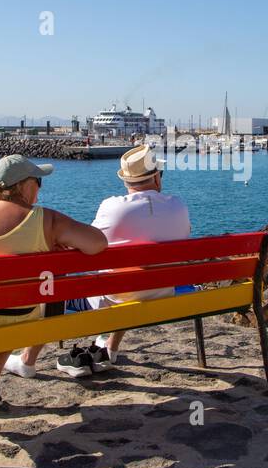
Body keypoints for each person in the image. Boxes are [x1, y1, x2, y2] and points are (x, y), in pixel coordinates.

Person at [0, 154, 106, 408]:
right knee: (12, 302)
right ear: (25, 186)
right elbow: (98, 243)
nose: (40, 187)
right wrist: (52, 241)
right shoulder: (46, 219)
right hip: (20, 316)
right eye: (38, 181)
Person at [78, 144, 191, 367]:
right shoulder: (178, 205)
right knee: (133, 276)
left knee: (121, 281)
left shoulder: (111, 207)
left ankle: (27, 359)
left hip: (117, 296)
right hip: (164, 291)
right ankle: (110, 346)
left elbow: (88, 245)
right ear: (157, 177)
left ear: (125, 181)